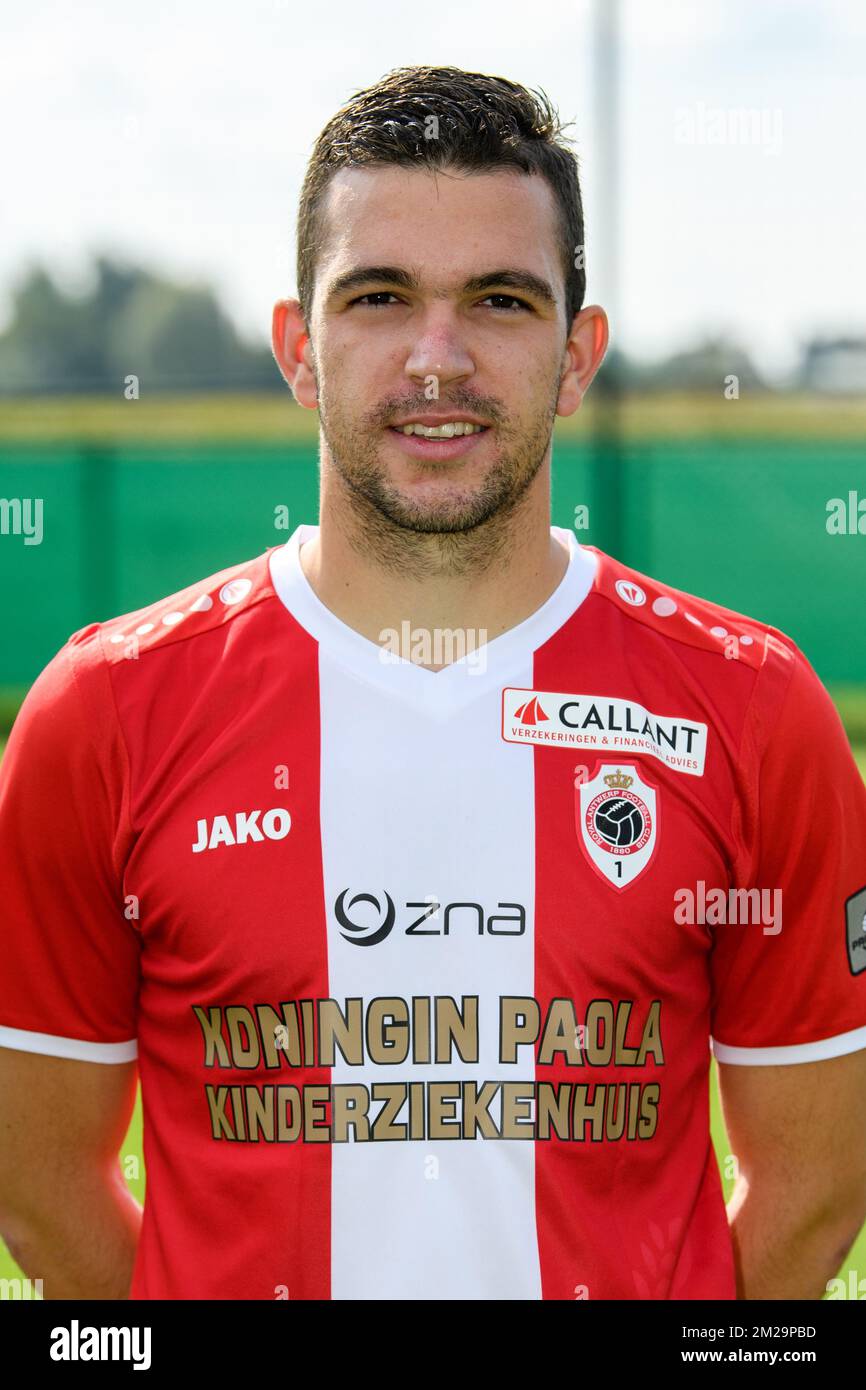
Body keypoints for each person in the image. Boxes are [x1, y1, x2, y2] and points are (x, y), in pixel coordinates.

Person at [1, 64, 865, 1302]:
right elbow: (41, 1186)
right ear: (299, 348)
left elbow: (814, 1185)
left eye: (501, 300)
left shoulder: (750, 710)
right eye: (378, 296)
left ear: (575, 355)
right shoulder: (102, 715)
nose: (436, 356)